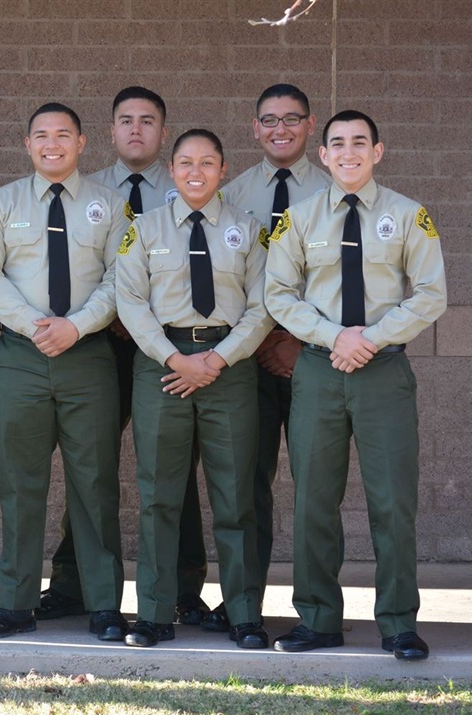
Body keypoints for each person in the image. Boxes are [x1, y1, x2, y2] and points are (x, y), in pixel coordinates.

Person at [265, 110, 446, 661]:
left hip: (382, 372)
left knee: (393, 501)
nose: (348, 152)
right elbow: (278, 294)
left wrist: (368, 339)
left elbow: (431, 294)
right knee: (313, 500)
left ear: (377, 151)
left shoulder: (409, 215)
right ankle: (317, 618)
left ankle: (398, 623)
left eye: (359, 143)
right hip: (319, 370)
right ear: (323, 155)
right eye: (338, 144)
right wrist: (333, 337)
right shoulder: (297, 220)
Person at [40, 85, 214, 631]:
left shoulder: (188, 186)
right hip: (99, 345)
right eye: (125, 121)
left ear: (164, 132)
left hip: (169, 350)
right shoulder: (86, 190)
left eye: (147, 121)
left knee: (175, 467)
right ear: (110, 132)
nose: (136, 129)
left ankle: (183, 588)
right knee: (88, 465)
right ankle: (73, 581)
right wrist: (108, 316)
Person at [0, 103, 129, 642]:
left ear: (82, 143)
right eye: (41, 135)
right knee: (20, 483)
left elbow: (120, 278)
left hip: (88, 357)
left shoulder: (113, 207)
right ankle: (15, 603)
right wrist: (36, 326)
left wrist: (76, 326)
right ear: (27, 143)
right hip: (22, 357)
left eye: (63, 134)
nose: (52, 143)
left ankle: (103, 604)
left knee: (96, 483)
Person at [116, 128, 272, 649]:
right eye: (185, 162)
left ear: (223, 170)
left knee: (235, 496)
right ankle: (154, 613)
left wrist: (218, 359)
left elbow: (263, 305)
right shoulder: (144, 229)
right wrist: (175, 358)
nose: (196, 172)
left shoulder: (248, 231)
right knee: (159, 495)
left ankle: (244, 614)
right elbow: (130, 301)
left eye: (207, 163)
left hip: (229, 365)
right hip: (163, 365)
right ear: (172, 170)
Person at [219, 83, 331, 606]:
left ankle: (315, 609)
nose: (280, 129)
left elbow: (342, 282)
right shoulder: (232, 195)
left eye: (291, 118)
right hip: (249, 360)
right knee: (245, 485)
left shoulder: (335, 192)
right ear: (255, 128)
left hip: (315, 358)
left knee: (316, 488)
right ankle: (242, 606)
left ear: (311, 125)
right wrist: (262, 340)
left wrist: (298, 342)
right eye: (269, 119)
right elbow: (224, 281)